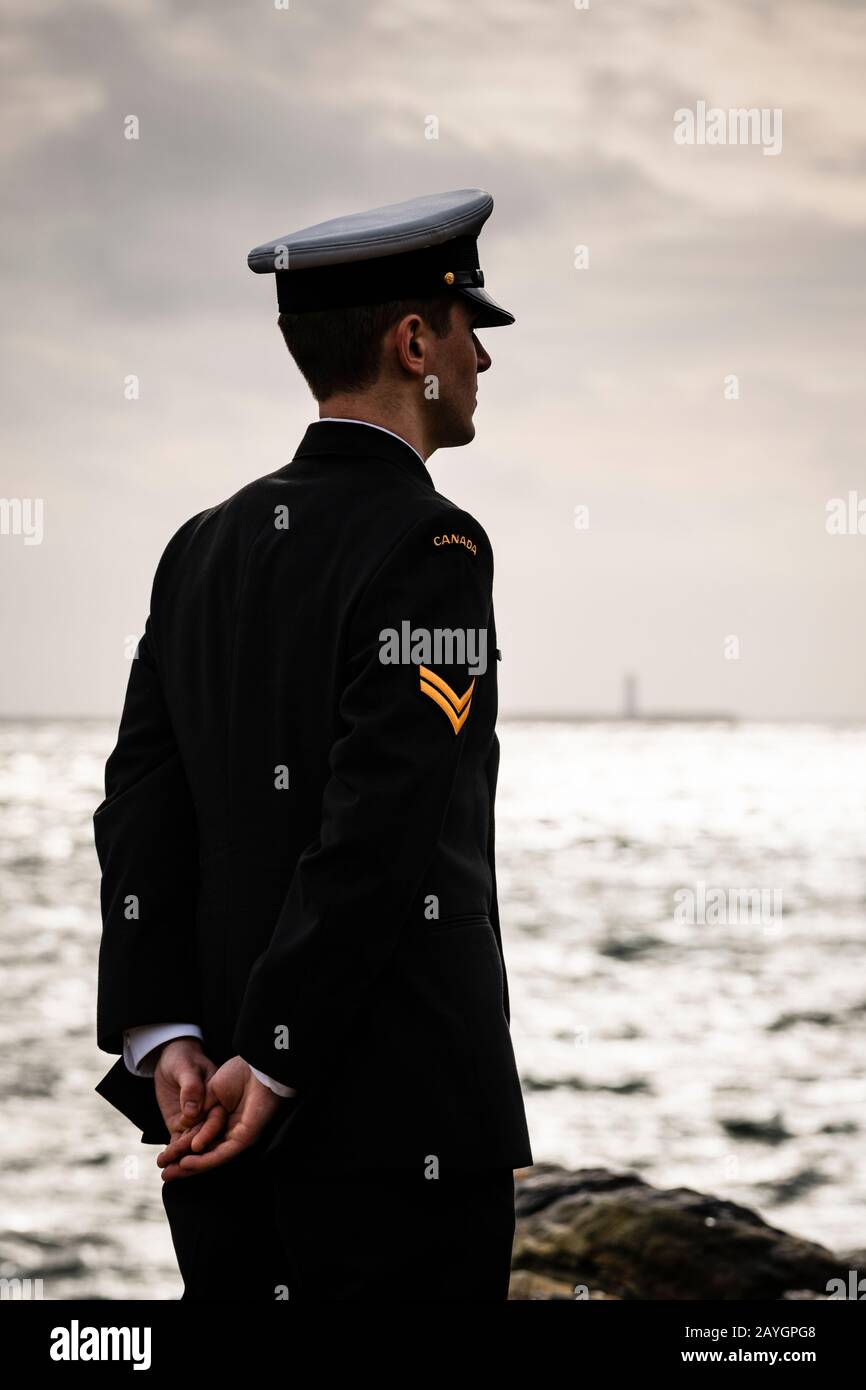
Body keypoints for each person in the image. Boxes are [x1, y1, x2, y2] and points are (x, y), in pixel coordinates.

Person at [93, 187, 533, 1301]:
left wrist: (168, 1037)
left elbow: (140, 803)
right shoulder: (434, 541)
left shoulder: (199, 545)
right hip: (389, 1136)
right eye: (468, 324)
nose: (483, 355)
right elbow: (378, 825)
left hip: (209, 1124)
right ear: (412, 339)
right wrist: (278, 1060)